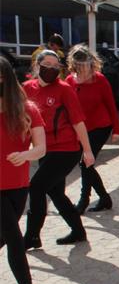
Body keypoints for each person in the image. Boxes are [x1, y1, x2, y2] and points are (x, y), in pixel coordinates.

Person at [23, 50, 94, 248]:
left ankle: (32, 236)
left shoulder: (64, 89)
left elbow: (78, 122)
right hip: (43, 150)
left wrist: (87, 151)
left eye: (56, 67)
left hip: (66, 150)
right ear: (37, 66)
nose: (52, 69)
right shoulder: (26, 89)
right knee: (55, 192)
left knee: (36, 187)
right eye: (48, 65)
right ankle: (78, 231)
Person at [0, 57, 50, 284]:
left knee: (4, 237)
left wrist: (25, 155)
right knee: (14, 238)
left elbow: (41, 147)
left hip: (18, 186)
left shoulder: (27, 109)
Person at [65, 45, 119, 214]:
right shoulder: (69, 81)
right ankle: (104, 198)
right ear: (74, 65)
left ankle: (84, 200)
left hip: (100, 126)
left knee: (85, 163)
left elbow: (111, 105)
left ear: (91, 62)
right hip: (80, 129)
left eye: (87, 64)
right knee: (86, 164)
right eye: (80, 65)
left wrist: (117, 130)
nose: (84, 68)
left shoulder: (100, 80)